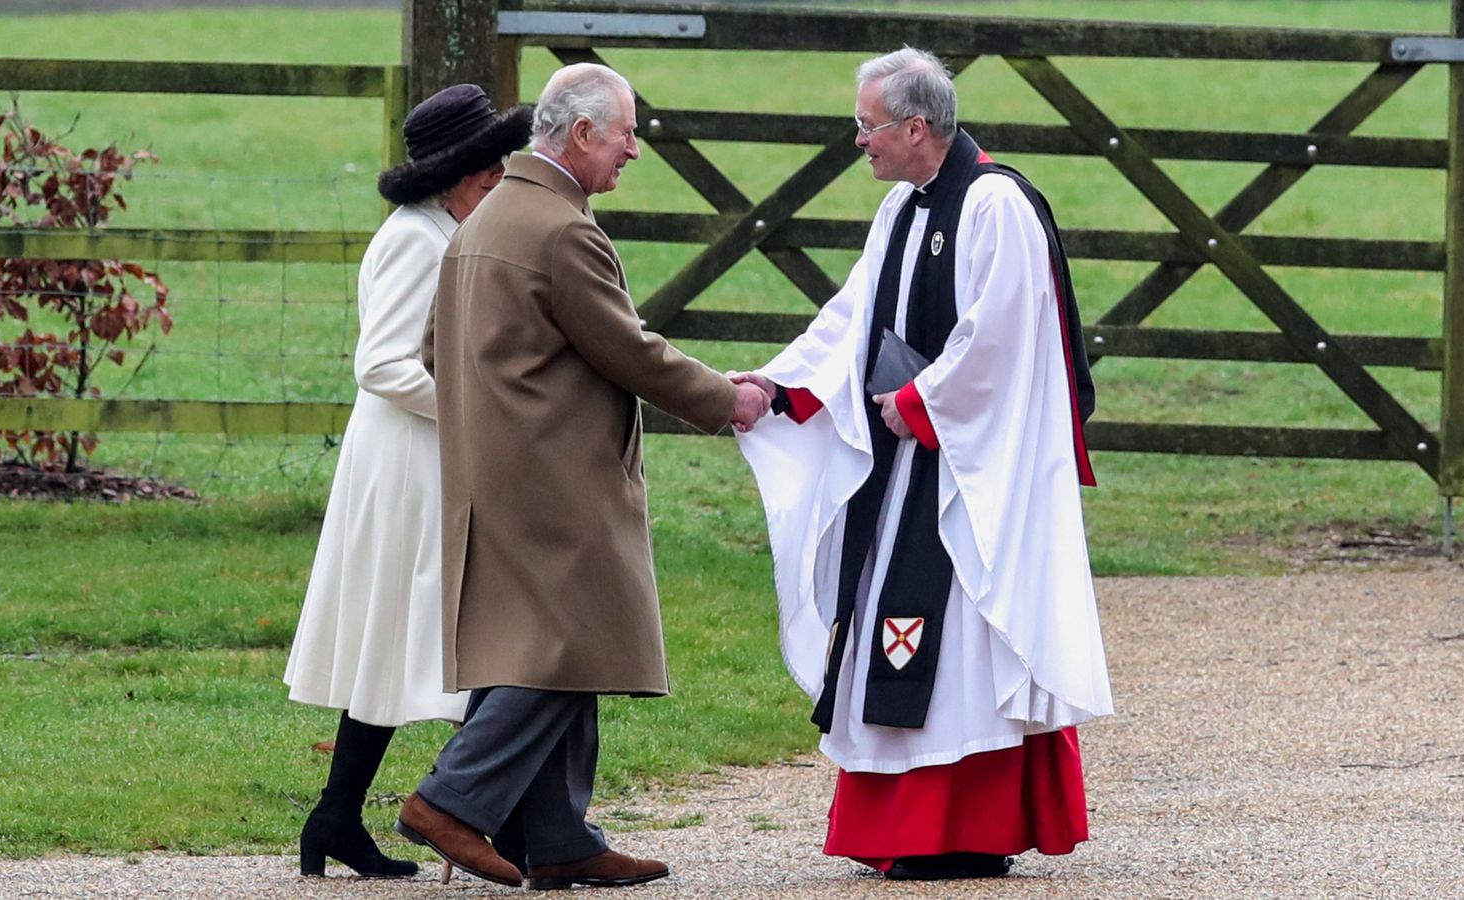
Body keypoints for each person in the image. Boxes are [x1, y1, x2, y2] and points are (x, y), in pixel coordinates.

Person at [732, 47, 1113, 880]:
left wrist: (914, 404)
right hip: (907, 468)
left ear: (914, 126)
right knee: (885, 628)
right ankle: (905, 828)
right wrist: (780, 386)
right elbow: (852, 317)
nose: (858, 142)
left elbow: (1003, 337)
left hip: (972, 476)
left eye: (867, 127)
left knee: (963, 641)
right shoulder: (901, 209)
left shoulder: (996, 204)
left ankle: (965, 829)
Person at [393, 63, 771, 890]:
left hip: (499, 473)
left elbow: (432, 349)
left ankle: (559, 837)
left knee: (542, 646)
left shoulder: (486, 215)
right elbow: (626, 349)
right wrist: (727, 399)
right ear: (584, 134)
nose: (634, 150)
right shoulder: (561, 229)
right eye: (627, 133)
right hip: (557, 481)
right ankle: (448, 801)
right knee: (568, 651)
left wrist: (500, 408)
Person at [283, 83, 532, 879]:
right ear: (451, 174)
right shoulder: (415, 240)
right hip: (407, 462)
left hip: (427, 455)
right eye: (487, 167)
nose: (498, 178)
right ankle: (454, 813)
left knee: (404, 641)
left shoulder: (445, 232)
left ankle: (336, 818)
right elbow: (382, 364)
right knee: (409, 636)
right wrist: (479, 410)